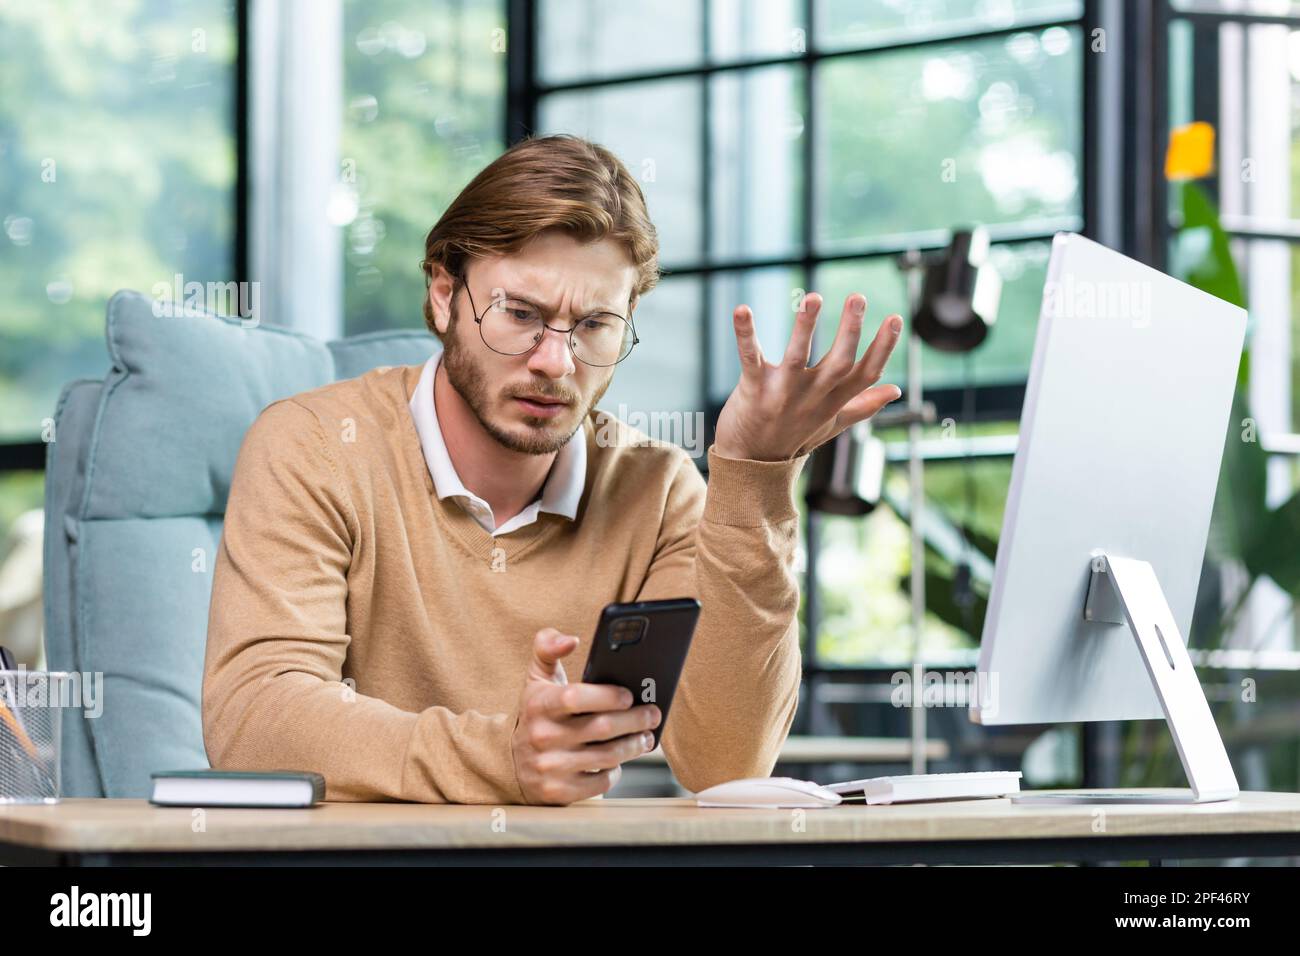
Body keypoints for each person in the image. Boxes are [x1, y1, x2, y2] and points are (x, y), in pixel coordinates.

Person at [202, 133, 902, 805]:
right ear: (445, 294)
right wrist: (502, 755)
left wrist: (755, 473)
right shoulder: (316, 446)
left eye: (595, 326)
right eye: (520, 313)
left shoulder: (655, 490)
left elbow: (726, 764)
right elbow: (255, 717)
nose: (554, 362)